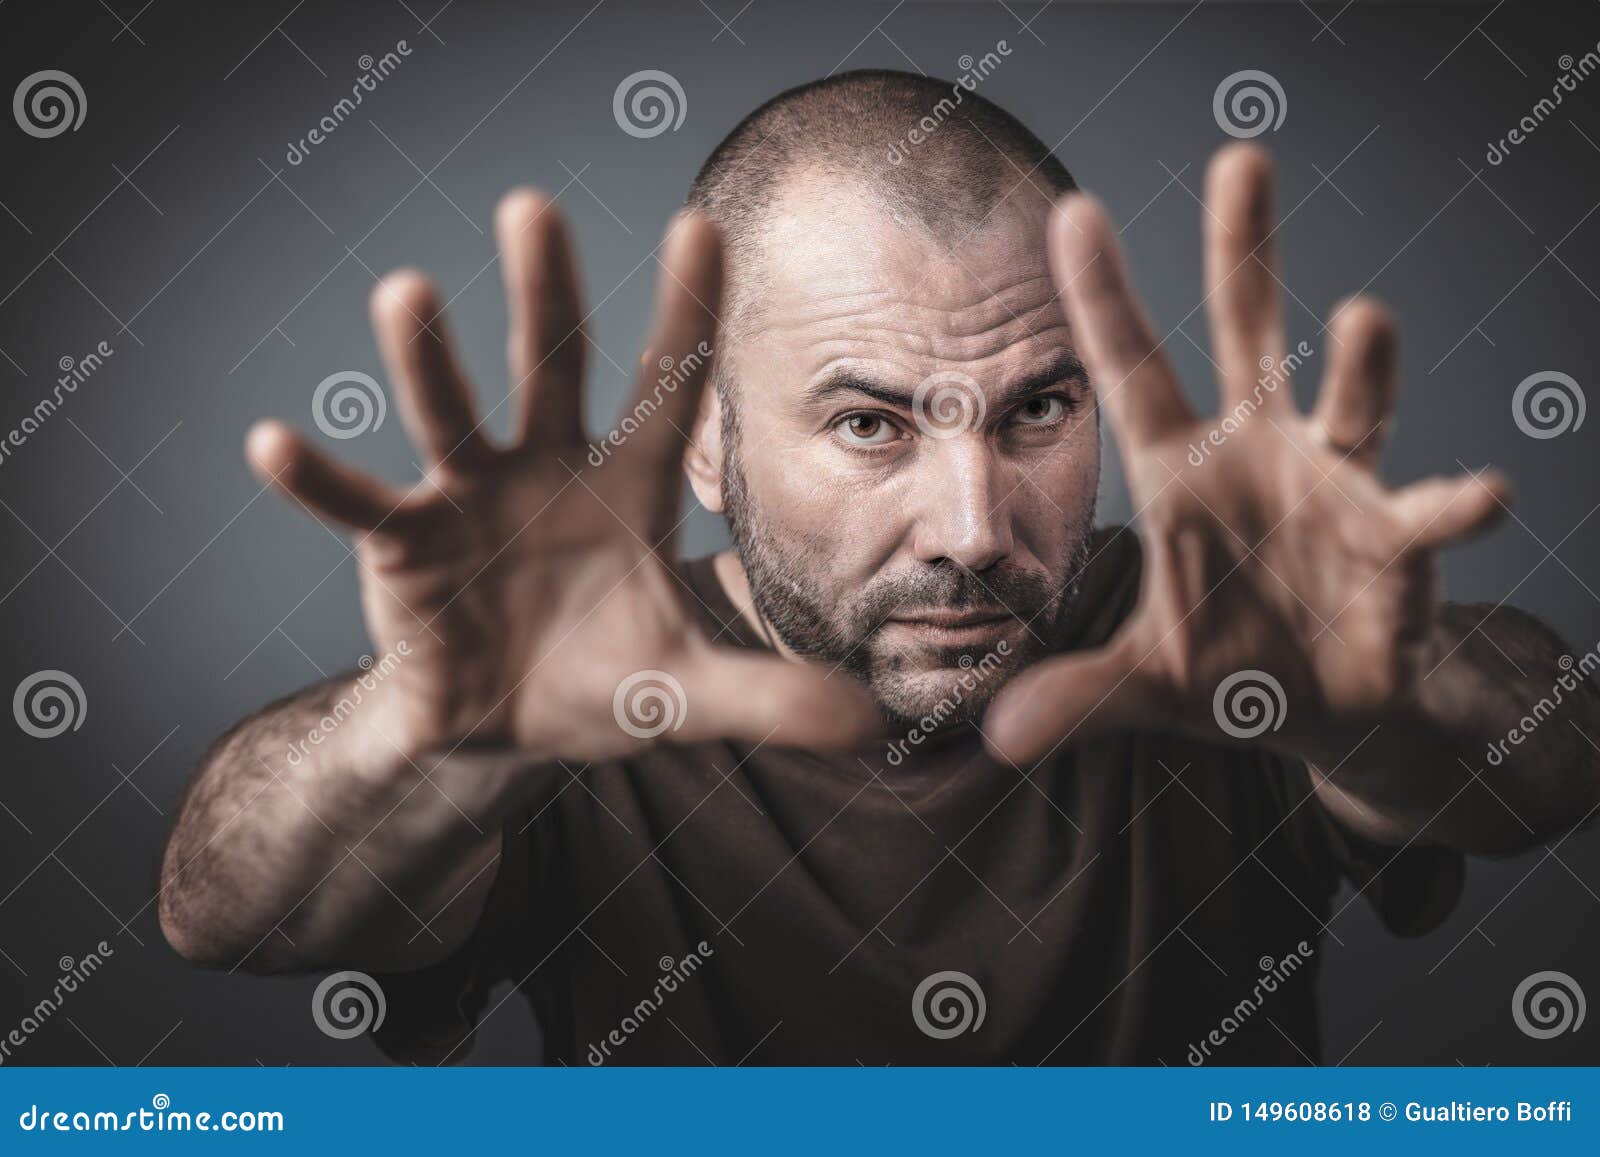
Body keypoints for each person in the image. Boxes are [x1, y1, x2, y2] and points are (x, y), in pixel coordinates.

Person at [158, 70, 1599, 1065]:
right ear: (708, 446)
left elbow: (1548, 764)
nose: (974, 525)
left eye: (1039, 406)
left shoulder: (1215, 649)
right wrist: (419, 726)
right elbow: (231, 916)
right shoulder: (591, 689)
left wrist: (1385, 692)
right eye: (867, 422)